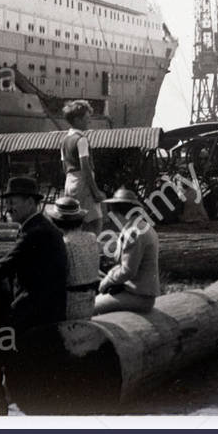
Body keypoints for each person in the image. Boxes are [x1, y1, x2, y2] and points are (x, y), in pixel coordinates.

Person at [0, 175, 68, 415]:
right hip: (43, 307)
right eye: (7, 202)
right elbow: (14, 262)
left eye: (13, 201)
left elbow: (3, 268)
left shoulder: (34, 232)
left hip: (36, 313)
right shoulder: (40, 227)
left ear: (31, 202)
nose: (8, 207)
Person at [94, 189, 161, 315]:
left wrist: (106, 281)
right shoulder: (140, 226)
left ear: (117, 212)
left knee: (91, 307)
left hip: (138, 296)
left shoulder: (134, 232)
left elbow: (128, 271)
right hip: (138, 292)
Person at [49, 196, 100, 319]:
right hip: (89, 302)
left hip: (70, 305)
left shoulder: (64, 244)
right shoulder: (92, 238)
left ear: (56, 223)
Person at [60, 100, 105, 232]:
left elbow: (64, 166)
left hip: (69, 183)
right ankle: (91, 249)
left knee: (75, 221)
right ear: (78, 119)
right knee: (96, 221)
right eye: (86, 118)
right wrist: (95, 191)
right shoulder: (82, 140)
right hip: (83, 183)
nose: (89, 121)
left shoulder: (64, 140)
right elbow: (85, 167)